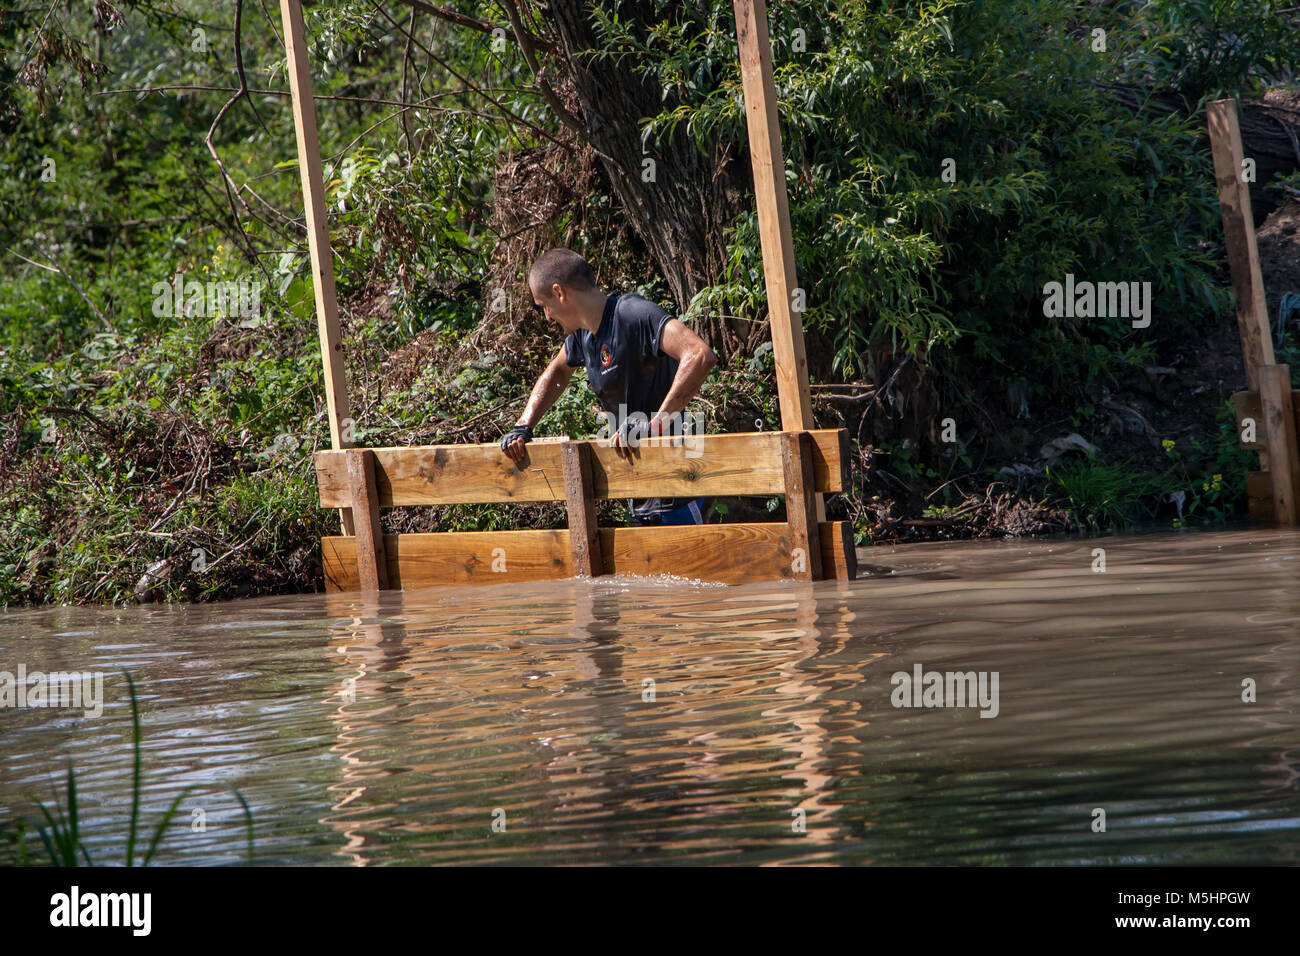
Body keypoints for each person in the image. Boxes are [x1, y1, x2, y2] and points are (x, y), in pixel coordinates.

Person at [499, 248, 717, 526]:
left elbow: (699, 355)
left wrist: (655, 425)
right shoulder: (583, 337)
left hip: (676, 488)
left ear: (560, 292)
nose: (548, 318)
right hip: (636, 487)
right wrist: (523, 426)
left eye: (544, 306)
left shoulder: (632, 315)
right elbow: (557, 371)